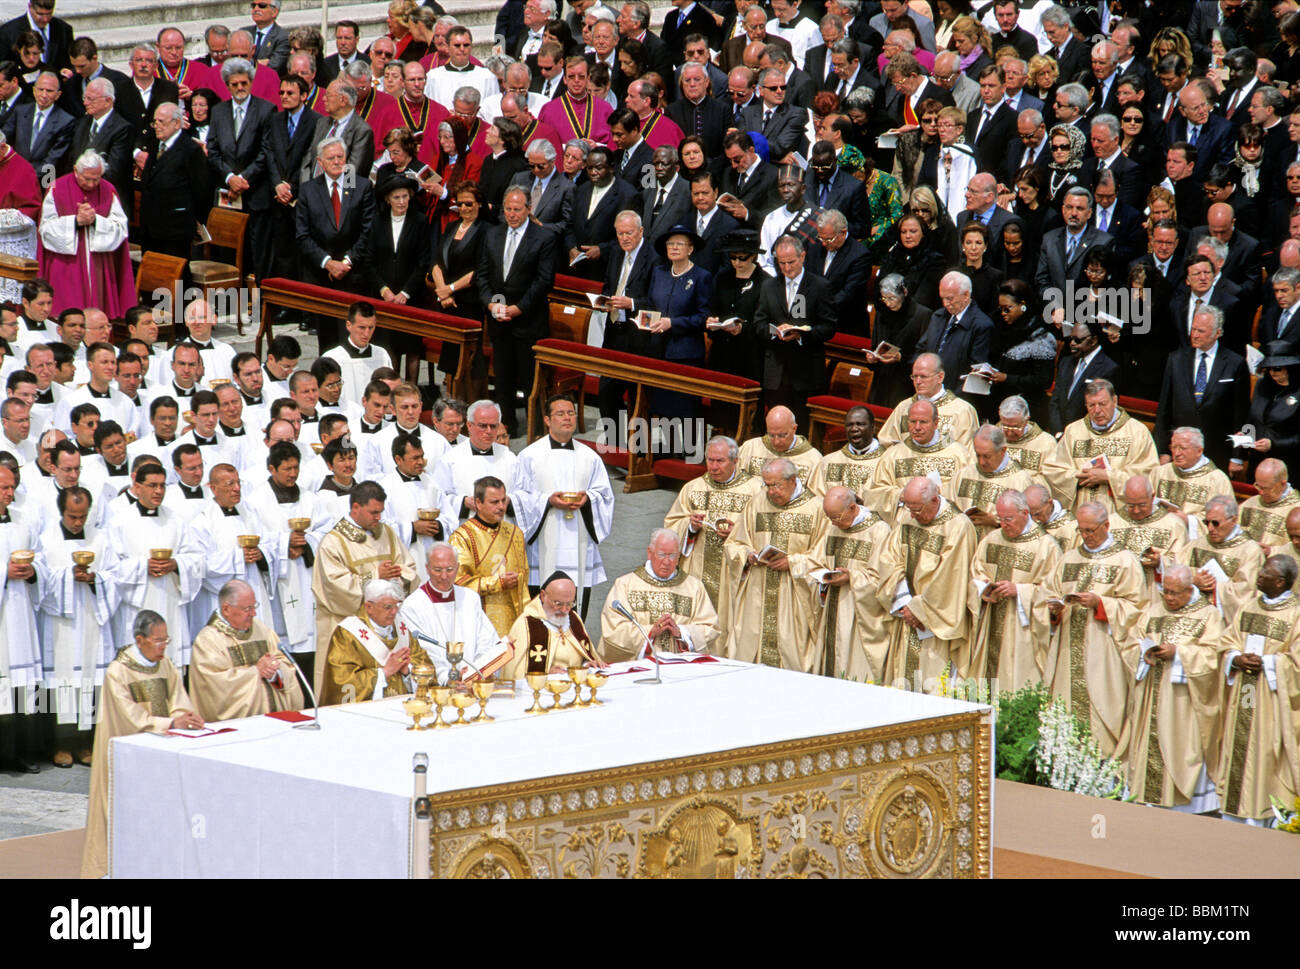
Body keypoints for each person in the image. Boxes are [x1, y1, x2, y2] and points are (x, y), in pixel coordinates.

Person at [81, 610, 202, 878]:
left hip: (163, 753)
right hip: (130, 758)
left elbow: (178, 699)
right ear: (140, 639)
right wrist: (169, 724)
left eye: (166, 640)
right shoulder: (118, 672)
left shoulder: (165, 665)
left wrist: (184, 717)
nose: (163, 646)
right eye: (158, 640)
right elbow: (128, 717)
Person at [1042, 501, 1146, 758]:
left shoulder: (1125, 561)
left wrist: (1101, 604)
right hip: (1068, 649)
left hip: (1104, 651)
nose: (1086, 536)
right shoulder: (1069, 558)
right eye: (1082, 530)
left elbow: (1138, 608)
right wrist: (1054, 609)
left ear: (1107, 525)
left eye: (1091, 530)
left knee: (1101, 711)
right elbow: (1049, 592)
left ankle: (1100, 767)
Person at [1119, 563, 1224, 811]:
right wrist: (1143, 653)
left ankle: (1185, 803)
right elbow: (1131, 642)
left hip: (1183, 701)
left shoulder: (1209, 615)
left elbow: (1213, 656)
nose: (1168, 597)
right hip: (1151, 694)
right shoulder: (1154, 611)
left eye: (1174, 593)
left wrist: (1179, 654)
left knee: (1178, 744)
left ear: (1190, 590)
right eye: (1164, 591)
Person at [311, 480, 418, 694]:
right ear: (356, 508)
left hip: (384, 625)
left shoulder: (386, 533)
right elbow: (334, 588)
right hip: (348, 629)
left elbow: (409, 569)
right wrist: (375, 576)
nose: (378, 518)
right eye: (373, 512)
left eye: (380, 512)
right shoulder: (333, 543)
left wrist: (397, 577)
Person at [1216, 554, 1300, 825]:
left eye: (1266, 572)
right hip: (1244, 690)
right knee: (1238, 747)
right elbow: (1227, 640)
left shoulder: (1296, 614)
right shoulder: (1249, 606)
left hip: (1271, 697)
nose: (1259, 575)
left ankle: (1263, 814)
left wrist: (1269, 663)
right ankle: (1233, 813)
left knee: (1264, 752)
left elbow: (1296, 659)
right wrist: (1235, 657)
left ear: (1281, 581)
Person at [515, 394, 614, 616]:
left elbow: (605, 495)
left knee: (575, 608)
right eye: (560, 413)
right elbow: (517, 497)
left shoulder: (590, 456)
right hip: (543, 541)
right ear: (548, 420)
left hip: (578, 539)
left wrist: (587, 499)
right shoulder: (529, 456)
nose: (567, 418)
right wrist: (547, 501)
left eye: (570, 413)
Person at [877, 476, 978, 693]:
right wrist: (905, 603)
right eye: (909, 508)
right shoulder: (908, 518)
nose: (912, 515)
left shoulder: (958, 526)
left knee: (933, 683)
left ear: (934, 500)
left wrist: (919, 610)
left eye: (917, 510)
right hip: (906, 616)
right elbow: (888, 559)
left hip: (934, 623)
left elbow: (951, 578)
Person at [723, 457, 822, 670]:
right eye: (767, 485)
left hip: (794, 596)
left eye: (776, 485)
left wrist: (794, 562)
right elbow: (734, 543)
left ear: (793, 480)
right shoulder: (757, 502)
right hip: (758, 592)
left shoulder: (816, 508)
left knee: (791, 656)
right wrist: (747, 555)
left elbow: (824, 555)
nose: (771, 492)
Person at [104, 461, 204, 668]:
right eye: (152, 485)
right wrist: (142, 566)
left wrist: (175, 564)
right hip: (138, 602)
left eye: (162, 486)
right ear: (137, 487)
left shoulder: (175, 520)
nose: (158, 491)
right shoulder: (120, 521)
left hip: (170, 599)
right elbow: (111, 568)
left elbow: (196, 557)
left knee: (171, 662)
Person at [476, 186, 557, 438]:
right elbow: (483, 276)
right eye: (508, 209)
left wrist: (518, 308)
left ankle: (534, 429)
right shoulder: (492, 234)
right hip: (499, 321)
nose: (511, 214)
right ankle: (507, 424)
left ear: (529, 209)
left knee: (528, 379)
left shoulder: (544, 238)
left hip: (528, 321)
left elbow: (543, 282)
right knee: (503, 377)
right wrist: (492, 304)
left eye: (517, 209)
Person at [788, 484, 891, 681]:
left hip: (859, 614)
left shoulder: (879, 531)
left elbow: (884, 579)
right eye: (829, 517)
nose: (833, 523)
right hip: (832, 609)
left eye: (836, 517)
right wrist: (822, 576)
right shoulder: (833, 529)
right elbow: (817, 561)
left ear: (853, 508)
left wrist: (852, 577)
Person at [966, 488, 1061, 692]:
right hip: (991, 623)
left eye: (1008, 518)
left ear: (1025, 513)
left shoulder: (1046, 547)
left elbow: (1053, 594)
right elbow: (975, 572)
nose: (1003, 524)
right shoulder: (991, 540)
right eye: (1000, 518)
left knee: (1015, 688)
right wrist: (984, 588)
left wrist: (1019, 591)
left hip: (1022, 631)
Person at [295, 136, 377, 352]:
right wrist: (328, 263)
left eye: (341, 157)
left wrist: (347, 261)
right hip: (322, 276)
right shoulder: (308, 189)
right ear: (320, 163)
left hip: (354, 274)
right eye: (331, 158)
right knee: (328, 340)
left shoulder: (361, 185)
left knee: (354, 338)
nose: (337, 161)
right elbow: (302, 235)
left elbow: (368, 231)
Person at [189, 578, 306, 722]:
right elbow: (215, 687)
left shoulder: (260, 629)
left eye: (254, 606)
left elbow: (283, 663)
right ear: (226, 609)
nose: (253, 613)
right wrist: (256, 671)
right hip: (238, 728)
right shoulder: (208, 641)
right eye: (247, 609)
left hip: (276, 720)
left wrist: (275, 671)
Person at [36, 149, 134, 318]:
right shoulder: (57, 188)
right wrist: (75, 221)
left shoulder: (108, 190)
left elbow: (121, 227)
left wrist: (96, 220)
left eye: (96, 179)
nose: (91, 184)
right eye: (86, 179)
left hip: (98, 263)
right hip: (66, 263)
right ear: (75, 170)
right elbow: (45, 229)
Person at [598, 528, 720, 661]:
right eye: (662, 555)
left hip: (681, 667)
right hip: (641, 668)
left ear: (679, 555)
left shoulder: (694, 587)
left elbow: (710, 627)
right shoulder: (625, 585)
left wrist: (682, 632)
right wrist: (649, 632)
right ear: (649, 553)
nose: (667, 562)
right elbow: (613, 629)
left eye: (672, 556)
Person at [1154, 305, 1249, 471]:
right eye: (1193, 329)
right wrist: (1163, 451)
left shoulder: (1235, 363)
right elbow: (1164, 410)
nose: (1195, 335)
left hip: (1218, 451)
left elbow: (1241, 415)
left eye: (1201, 331)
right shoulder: (1176, 359)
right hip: (1180, 450)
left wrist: (1237, 456)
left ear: (1217, 333)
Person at [319, 577, 430, 704]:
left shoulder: (401, 628)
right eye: (388, 607)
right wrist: (384, 672)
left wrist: (408, 671)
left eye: (397, 605)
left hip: (404, 706)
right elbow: (340, 683)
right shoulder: (347, 634)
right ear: (369, 607)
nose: (394, 612)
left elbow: (424, 665)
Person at [1059, 378, 1159, 512]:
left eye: (1102, 404)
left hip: (1119, 515)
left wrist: (1109, 477)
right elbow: (1055, 470)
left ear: (1115, 401)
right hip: (1081, 511)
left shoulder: (1137, 432)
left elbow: (1149, 474)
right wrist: (1079, 476)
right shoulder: (1074, 431)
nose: (1097, 410)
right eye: (1091, 405)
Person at [448, 474, 528, 637]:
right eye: (494, 502)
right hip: (480, 620)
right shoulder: (462, 537)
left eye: (503, 500)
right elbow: (458, 583)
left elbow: (523, 580)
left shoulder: (515, 533)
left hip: (515, 618)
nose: (501, 507)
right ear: (478, 503)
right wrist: (497, 583)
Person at [0, 462, 41, 773]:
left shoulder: (24, 523)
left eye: (12, 487)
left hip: (20, 614)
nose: (9, 493)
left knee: (21, 687)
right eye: (3, 487)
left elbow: (43, 563)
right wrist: (4, 572)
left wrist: (32, 572)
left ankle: (18, 752)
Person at [502, 569, 602, 678]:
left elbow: (584, 655)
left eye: (570, 604)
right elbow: (513, 671)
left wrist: (587, 664)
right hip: (543, 689)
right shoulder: (526, 624)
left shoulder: (573, 619)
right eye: (558, 604)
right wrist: (545, 673)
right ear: (543, 595)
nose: (564, 610)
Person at [1110, 475, 1192, 605]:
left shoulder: (1173, 524)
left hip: (1154, 596)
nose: (1136, 511)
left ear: (1153, 496)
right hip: (1120, 597)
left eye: (1142, 505)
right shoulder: (1112, 523)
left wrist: (1160, 562)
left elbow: (1183, 563)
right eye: (1131, 505)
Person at [946, 423, 1037, 539]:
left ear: (1003, 450)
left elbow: (1029, 524)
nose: (981, 462)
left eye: (987, 456)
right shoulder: (963, 475)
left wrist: (996, 522)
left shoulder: (1020, 481)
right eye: (978, 455)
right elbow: (947, 510)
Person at [1190, 493, 1266, 626]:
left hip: (1225, 622)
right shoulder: (1197, 544)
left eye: (1215, 523)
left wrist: (1216, 587)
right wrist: (1192, 581)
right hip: (1193, 616)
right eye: (1206, 522)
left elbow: (1248, 592)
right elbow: (1177, 570)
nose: (1210, 528)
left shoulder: (1250, 551)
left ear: (1233, 520)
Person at [877, 351, 979, 449]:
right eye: (915, 376)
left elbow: (967, 454)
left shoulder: (963, 411)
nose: (917, 382)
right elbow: (886, 442)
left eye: (923, 376)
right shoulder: (903, 407)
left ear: (940, 377)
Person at [1234, 341, 1300, 474]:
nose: (1272, 372)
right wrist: (1246, 437)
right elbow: (1253, 420)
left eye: (1277, 368)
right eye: (1269, 368)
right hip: (1258, 461)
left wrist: (1274, 444)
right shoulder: (1262, 385)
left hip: (1287, 464)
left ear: (1290, 367)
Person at [736, 405, 821, 485]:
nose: (776, 442)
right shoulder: (751, 447)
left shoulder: (813, 459)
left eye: (782, 435)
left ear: (794, 429)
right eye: (771, 435)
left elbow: (815, 497)